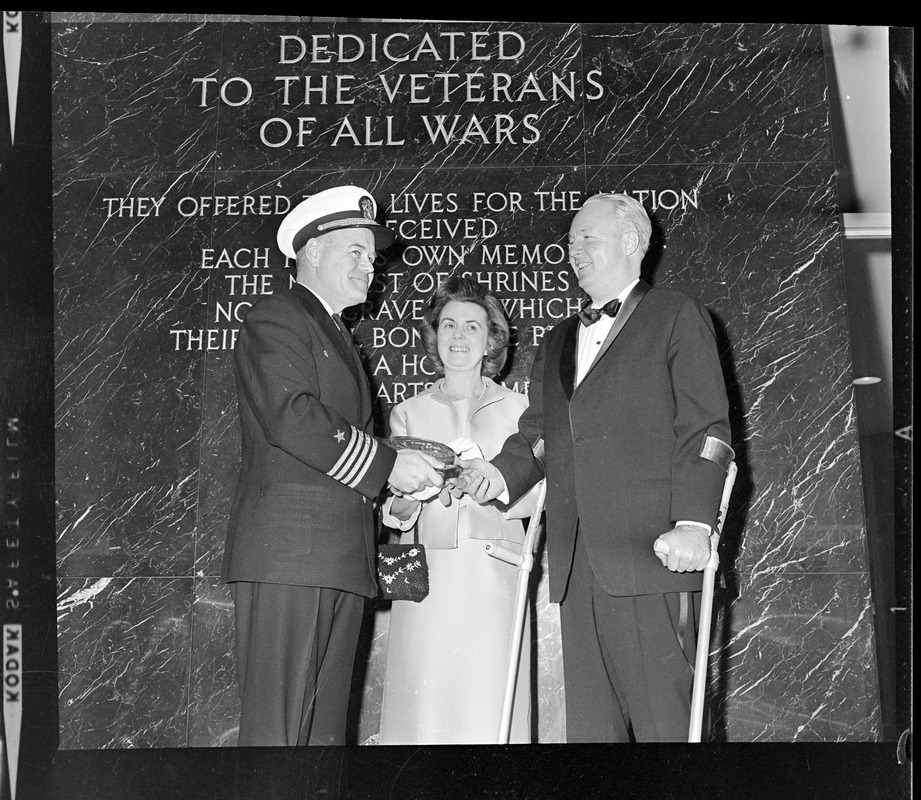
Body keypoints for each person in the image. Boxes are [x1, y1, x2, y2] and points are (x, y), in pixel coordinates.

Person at [456, 193, 733, 742]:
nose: (573, 248)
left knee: (668, 730)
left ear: (631, 242)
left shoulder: (676, 314)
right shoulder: (560, 336)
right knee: (590, 737)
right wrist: (499, 475)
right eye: (571, 239)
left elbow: (708, 431)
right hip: (577, 564)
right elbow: (540, 435)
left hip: (654, 555)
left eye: (587, 237)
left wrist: (696, 525)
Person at [222, 185, 446, 746]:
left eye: (372, 257)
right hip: (291, 557)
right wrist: (387, 465)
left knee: (321, 743)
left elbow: (339, 446)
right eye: (355, 251)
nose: (369, 266)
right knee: (278, 737)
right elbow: (292, 418)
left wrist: (386, 500)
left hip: (339, 560)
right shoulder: (277, 316)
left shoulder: (335, 333)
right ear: (312, 252)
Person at [378, 276, 542, 745]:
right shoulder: (407, 412)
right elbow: (394, 508)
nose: (458, 336)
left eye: (471, 327)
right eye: (448, 325)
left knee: (490, 709)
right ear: (434, 336)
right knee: (425, 712)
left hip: (496, 573)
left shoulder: (522, 410)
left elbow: (539, 497)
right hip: (428, 576)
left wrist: (492, 486)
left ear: (492, 338)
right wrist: (414, 495)